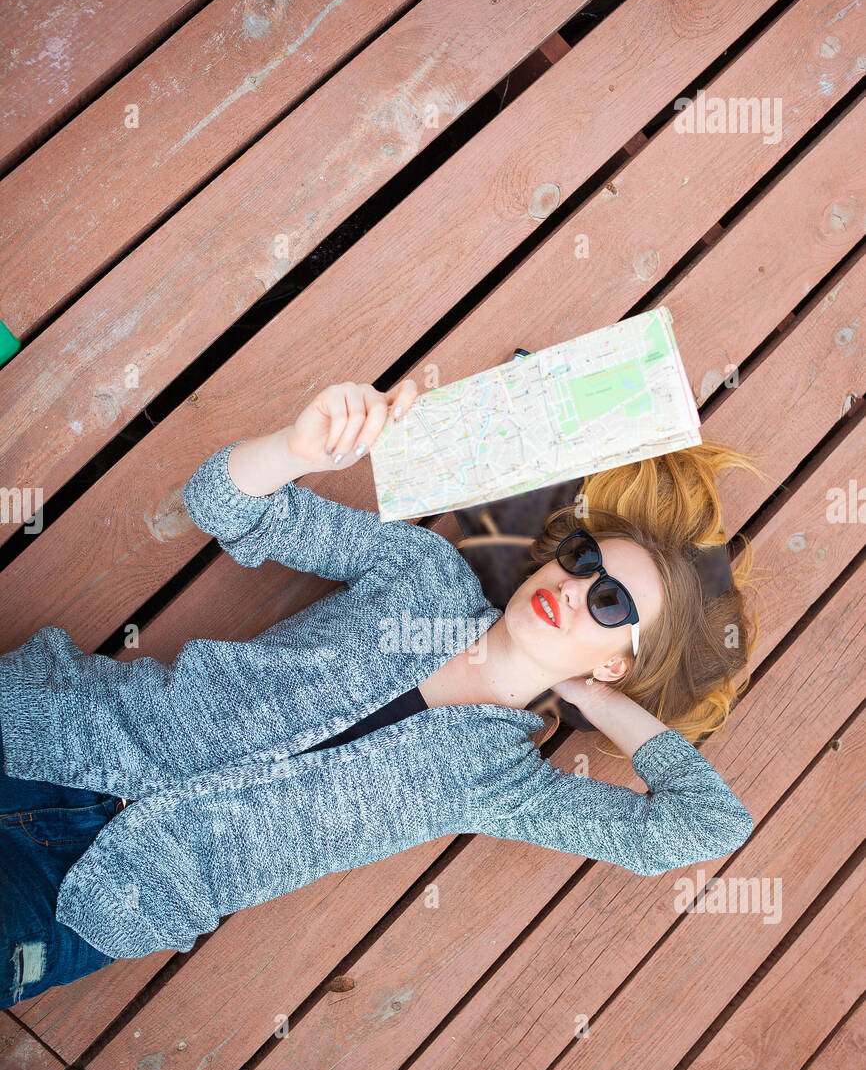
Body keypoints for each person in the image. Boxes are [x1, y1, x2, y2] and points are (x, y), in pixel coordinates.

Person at [0, 380, 756, 1007]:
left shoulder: (504, 784)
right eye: (584, 558)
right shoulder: (423, 574)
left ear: (618, 664)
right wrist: (295, 449)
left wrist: (597, 702)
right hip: (53, 726)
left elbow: (699, 828)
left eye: (611, 605)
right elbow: (224, 504)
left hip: (98, 895)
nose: (578, 584)